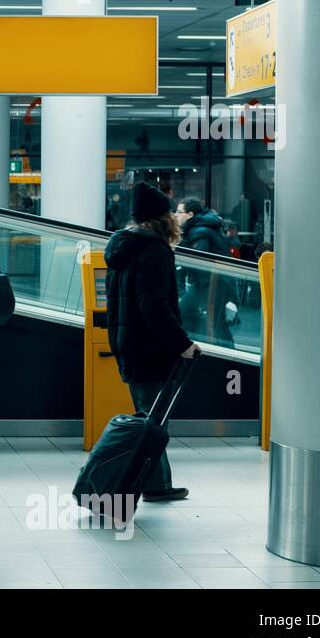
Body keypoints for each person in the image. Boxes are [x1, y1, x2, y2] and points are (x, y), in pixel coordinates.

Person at [104, 183, 199, 502]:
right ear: (162, 218)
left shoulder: (121, 248)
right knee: (153, 421)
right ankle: (143, 485)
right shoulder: (154, 250)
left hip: (127, 344)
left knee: (149, 418)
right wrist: (183, 343)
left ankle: (157, 484)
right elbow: (154, 306)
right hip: (151, 348)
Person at [175, 198, 234, 344]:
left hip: (212, 283)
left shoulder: (199, 231)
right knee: (213, 319)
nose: (175, 215)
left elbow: (198, 259)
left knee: (213, 320)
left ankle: (221, 353)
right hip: (212, 282)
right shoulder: (200, 228)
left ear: (190, 214)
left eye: (179, 212)